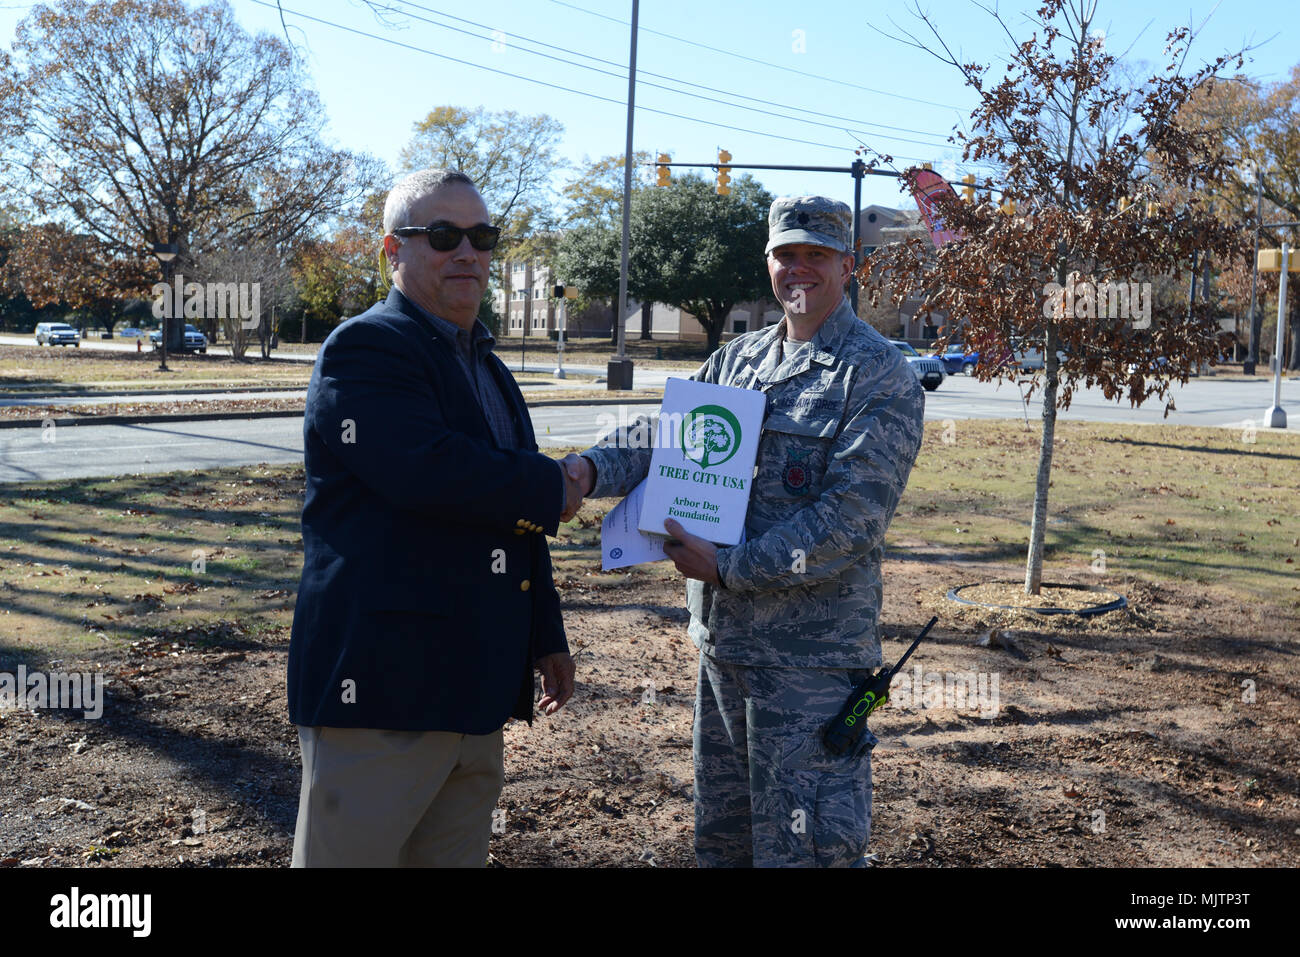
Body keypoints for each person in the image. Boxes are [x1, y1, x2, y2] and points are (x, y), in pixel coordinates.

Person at [564, 195, 925, 867]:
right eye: (786, 254)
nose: (800, 268)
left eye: (816, 255)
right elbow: (664, 438)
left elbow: (851, 521)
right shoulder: (739, 362)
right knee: (722, 845)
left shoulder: (877, 374)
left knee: (803, 852)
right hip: (724, 652)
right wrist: (586, 471)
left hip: (807, 671)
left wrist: (730, 565)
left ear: (848, 265)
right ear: (768, 263)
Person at [287, 168, 583, 867]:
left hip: (474, 695)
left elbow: (510, 514)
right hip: (382, 695)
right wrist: (555, 481)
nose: (469, 253)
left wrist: (545, 631)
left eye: (483, 236)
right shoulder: (364, 348)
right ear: (393, 249)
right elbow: (427, 469)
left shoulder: (486, 361)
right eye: (444, 235)